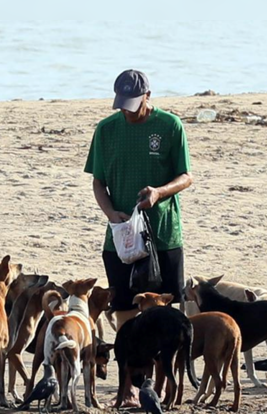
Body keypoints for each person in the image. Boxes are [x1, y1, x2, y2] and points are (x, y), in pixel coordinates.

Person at [84, 69, 193, 329]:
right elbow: (98, 182)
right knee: (124, 307)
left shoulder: (170, 125)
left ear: (147, 96)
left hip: (164, 234)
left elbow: (186, 176)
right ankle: (132, 366)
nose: (127, 112)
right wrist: (110, 213)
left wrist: (159, 192)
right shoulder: (106, 129)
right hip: (122, 238)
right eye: (122, 106)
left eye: (132, 106)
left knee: (166, 312)